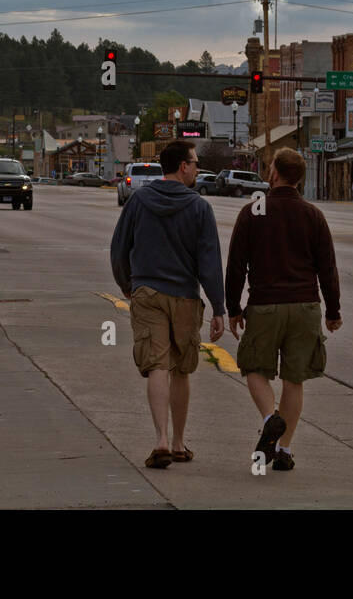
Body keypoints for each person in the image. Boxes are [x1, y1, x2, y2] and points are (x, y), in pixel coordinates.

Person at [110, 140, 226, 469]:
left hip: (147, 291)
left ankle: (160, 439)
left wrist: (127, 284)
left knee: (156, 366)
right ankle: (177, 443)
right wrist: (218, 307)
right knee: (181, 369)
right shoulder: (200, 207)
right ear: (182, 166)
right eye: (194, 162)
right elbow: (209, 262)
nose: (198, 168)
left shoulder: (139, 200)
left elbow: (119, 247)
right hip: (185, 297)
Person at [226, 147, 341, 472]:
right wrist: (333, 311)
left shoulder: (254, 211)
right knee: (295, 379)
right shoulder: (312, 214)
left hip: (265, 305)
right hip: (305, 306)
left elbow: (236, 265)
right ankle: (284, 448)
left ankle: (269, 418)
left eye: (269, 166)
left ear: (275, 174)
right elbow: (327, 269)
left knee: (254, 369)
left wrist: (233, 307)